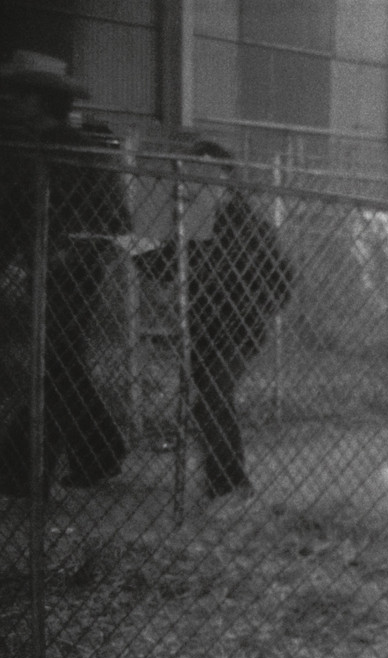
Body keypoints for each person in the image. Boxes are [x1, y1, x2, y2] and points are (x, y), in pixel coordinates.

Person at [0, 49, 132, 498]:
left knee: (53, 361)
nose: (10, 102)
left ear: (39, 102)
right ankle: (97, 450)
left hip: (72, 269)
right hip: (39, 267)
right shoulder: (27, 148)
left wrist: (59, 254)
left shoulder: (76, 150)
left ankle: (30, 466)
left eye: (19, 95)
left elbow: (107, 219)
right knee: (58, 362)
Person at [137, 140, 293, 497]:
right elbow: (160, 268)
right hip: (202, 326)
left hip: (239, 328)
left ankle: (230, 485)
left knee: (211, 400)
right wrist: (137, 241)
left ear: (227, 181)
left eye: (210, 176)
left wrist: (251, 305)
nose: (198, 183)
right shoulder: (189, 223)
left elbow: (283, 279)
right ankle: (224, 482)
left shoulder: (249, 225)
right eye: (193, 175)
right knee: (209, 399)